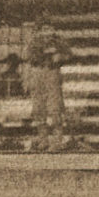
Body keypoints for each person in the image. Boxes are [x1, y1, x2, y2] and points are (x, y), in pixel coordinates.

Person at [23, 18, 69, 149]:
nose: (47, 32)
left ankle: (57, 140)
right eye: (44, 29)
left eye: (49, 29)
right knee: (38, 109)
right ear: (40, 31)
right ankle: (43, 139)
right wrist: (43, 53)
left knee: (55, 108)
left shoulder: (59, 42)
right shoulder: (34, 43)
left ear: (53, 30)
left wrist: (60, 56)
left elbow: (69, 55)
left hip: (52, 73)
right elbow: (27, 56)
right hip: (37, 74)